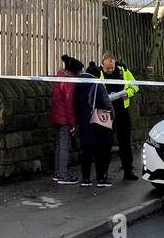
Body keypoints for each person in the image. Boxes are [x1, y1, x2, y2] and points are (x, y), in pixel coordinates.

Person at [98, 52, 139, 181]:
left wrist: (127, 93)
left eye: (111, 67)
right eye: (107, 68)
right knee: (104, 143)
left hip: (122, 110)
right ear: (102, 65)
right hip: (104, 112)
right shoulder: (98, 73)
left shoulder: (124, 70)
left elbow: (135, 85)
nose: (109, 70)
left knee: (125, 142)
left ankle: (128, 170)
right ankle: (102, 173)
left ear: (114, 63)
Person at [74, 61, 115, 188]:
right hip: (97, 121)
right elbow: (106, 102)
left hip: (83, 120)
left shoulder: (77, 84)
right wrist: (112, 116)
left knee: (86, 150)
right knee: (100, 150)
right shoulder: (98, 84)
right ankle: (101, 179)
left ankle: (86, 179)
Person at [49, 54, 81, 185]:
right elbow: (69, 104)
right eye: (79, 72)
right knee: (64, 146)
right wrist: (73, 124)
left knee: (59, 145)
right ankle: (63, 175)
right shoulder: (69, 82)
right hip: (65, 119)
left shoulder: (59, 77)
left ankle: (58, 172)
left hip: (56, 115)